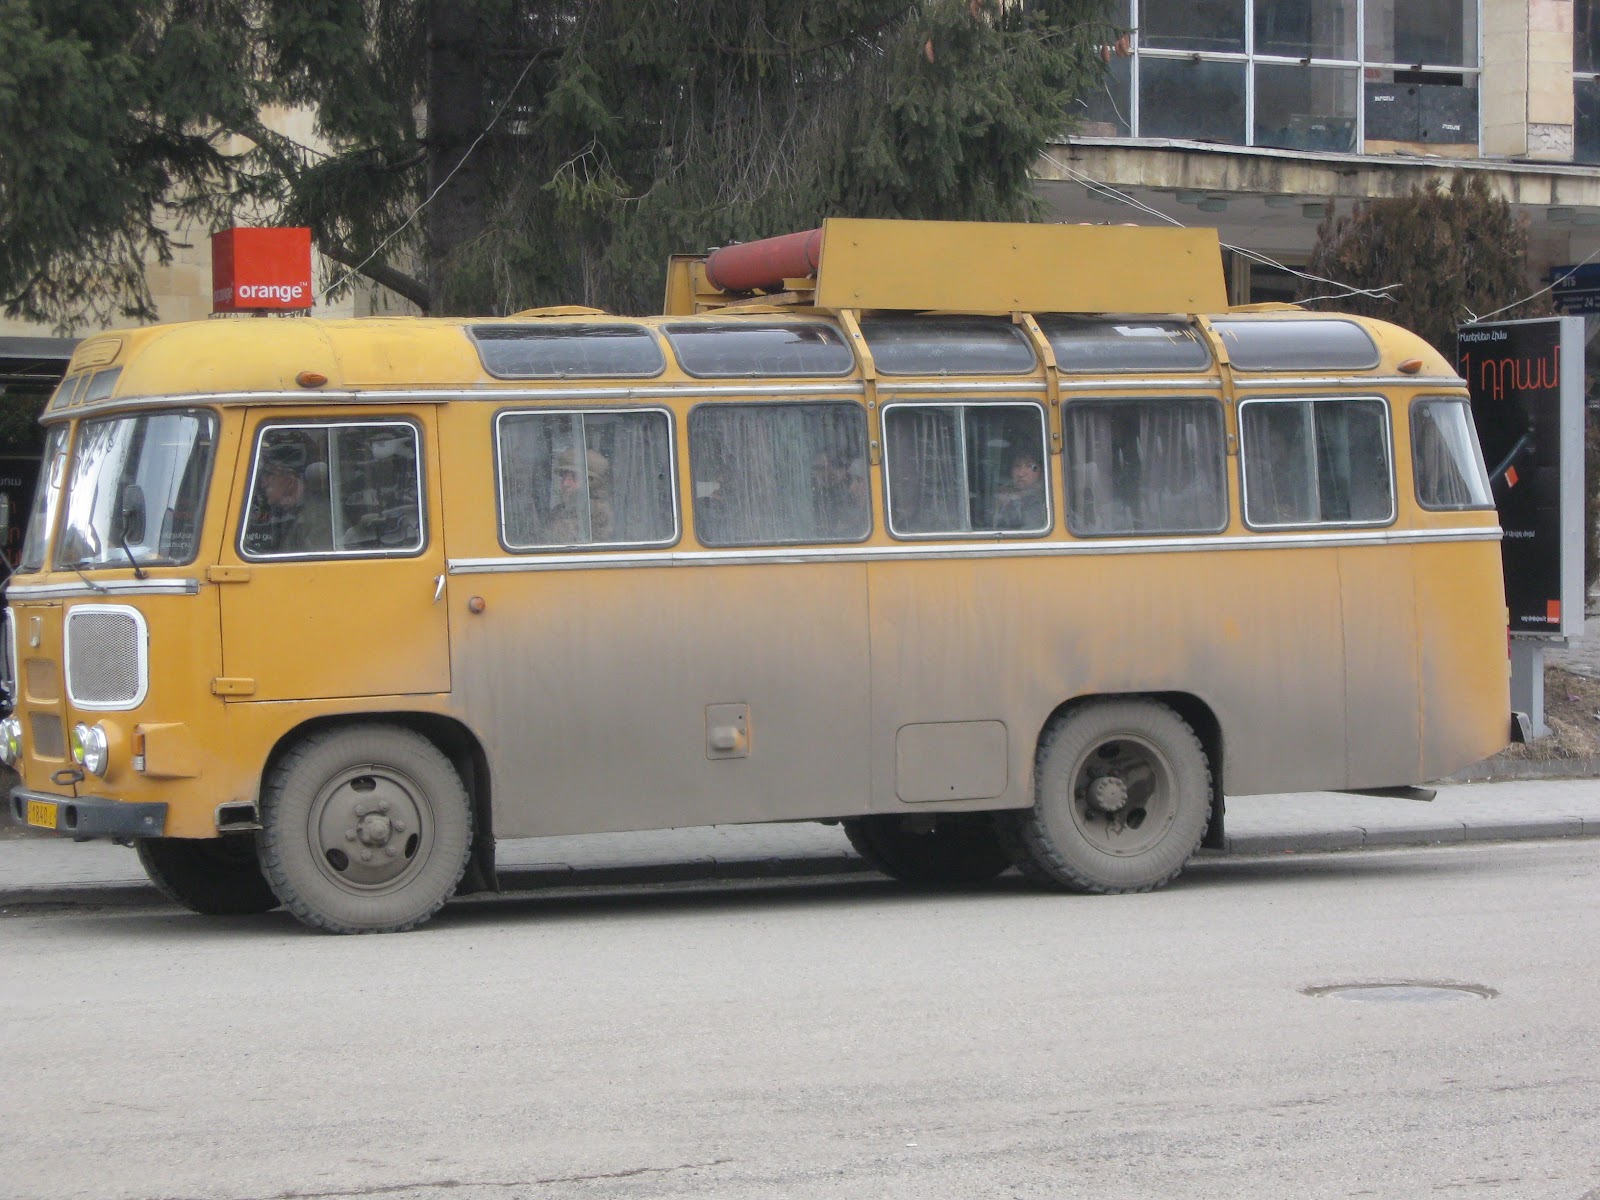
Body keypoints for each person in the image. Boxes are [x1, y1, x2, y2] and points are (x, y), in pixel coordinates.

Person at [250, 440, 332, 553]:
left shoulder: (317, 518)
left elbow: (318, 566)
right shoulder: (285, 513)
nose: (263, 483)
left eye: (270, 474)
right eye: (263, 475)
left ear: (290, 478)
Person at [544, 448, 612, 544]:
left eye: (574, 477)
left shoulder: (599, 511)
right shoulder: (558, 511)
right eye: (564, 476)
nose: (565, 484)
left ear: (591, 483)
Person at [992, 448, 1047, 530]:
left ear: (1041, 472)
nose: (1021, 473)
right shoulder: (999, 497)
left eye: (1029, 466)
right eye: (1017, 466)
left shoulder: (1047, 499)